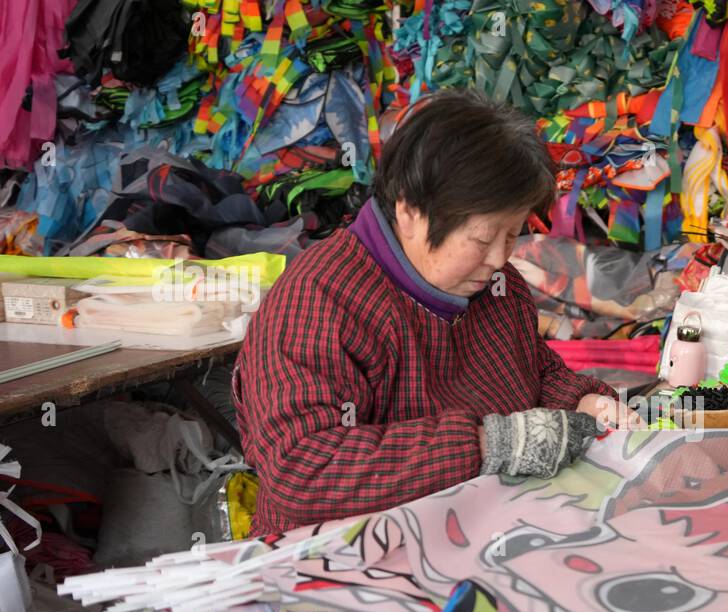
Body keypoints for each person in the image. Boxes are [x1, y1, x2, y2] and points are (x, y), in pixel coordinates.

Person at [234, 89, 640, 535]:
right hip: (339, 558)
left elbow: (536, 374)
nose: (499, 258)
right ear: (410, 211)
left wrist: (581, 400)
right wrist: (486, 444)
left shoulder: (498, 289)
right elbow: (302, 468)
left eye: (513, 235)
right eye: (484, 239)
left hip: (473, 532)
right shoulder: (319, 301)